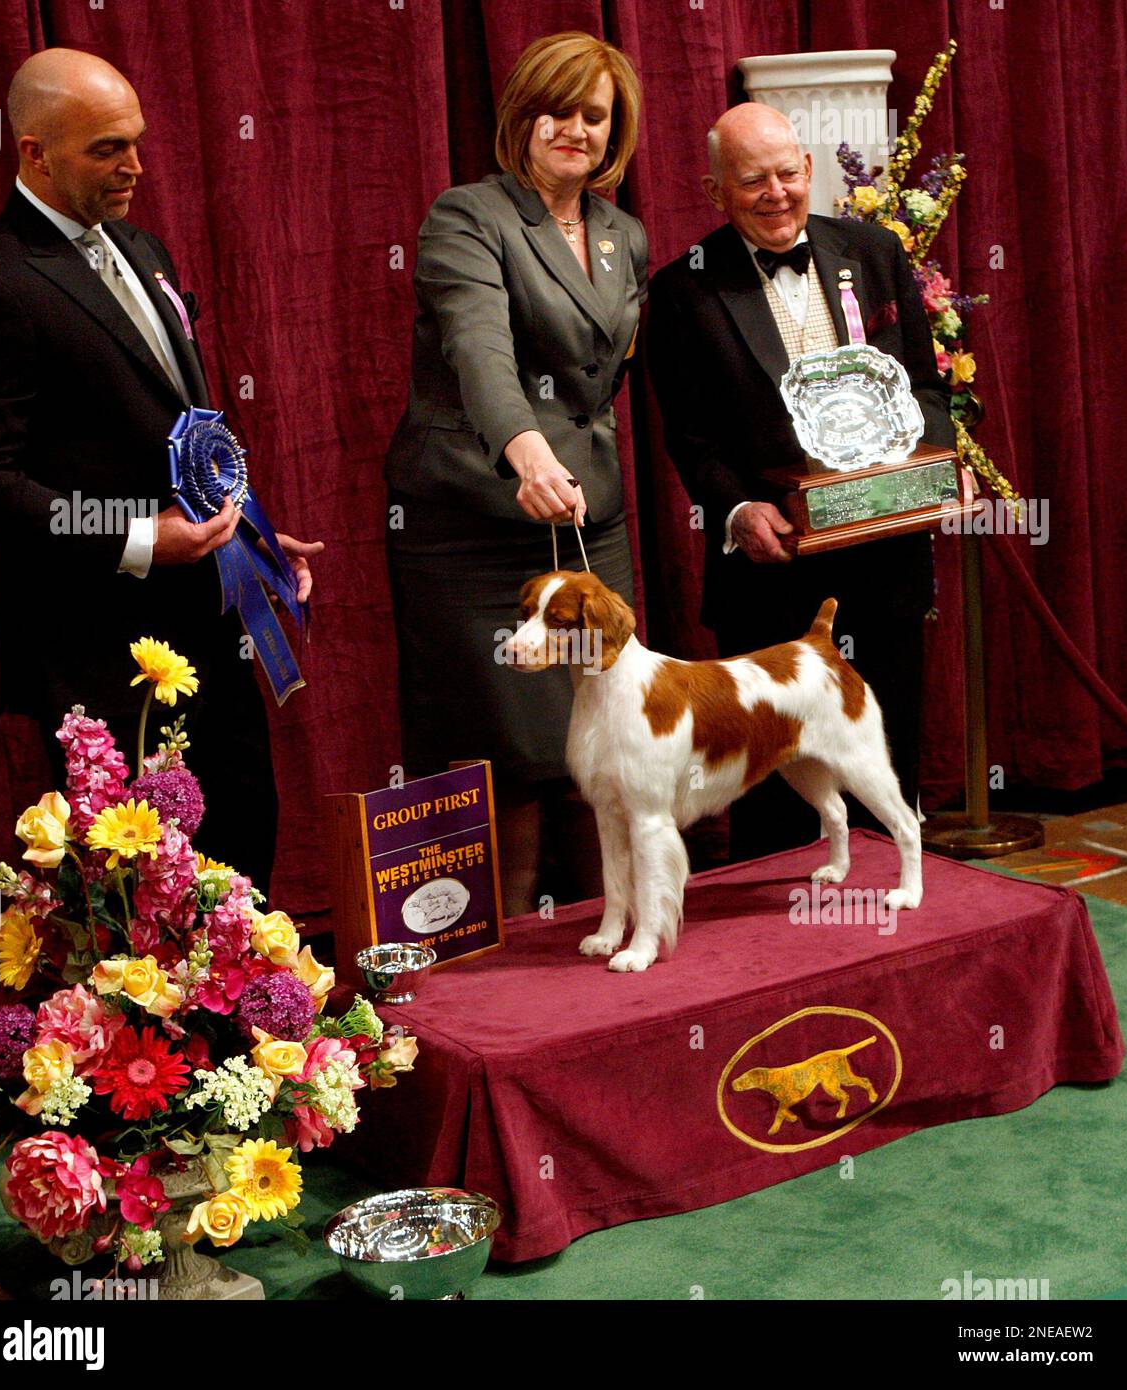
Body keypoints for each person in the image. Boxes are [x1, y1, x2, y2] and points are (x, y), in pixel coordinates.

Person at [0, 49, 322, 895]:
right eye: (107, 150)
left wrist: (253, 535)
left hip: (206, 624)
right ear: (36, 153)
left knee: (242, 848)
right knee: (148, 898)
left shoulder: (143, 247)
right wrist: (132, 536)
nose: (135, 167)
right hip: (95, 652)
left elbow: (181, 434)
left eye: (138, 143)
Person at [647, 103, 955, 862]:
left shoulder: (876, 251)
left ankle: (897, 916)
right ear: (716, 188)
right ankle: (780, 955)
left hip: (883, 566)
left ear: (811, 170)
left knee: (884, 762)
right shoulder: (683, 290)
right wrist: (740, 508)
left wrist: (935, 473)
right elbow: (688, 438)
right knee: (780, 794)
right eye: (752, 180)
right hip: (771, 576)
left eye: (788, 173)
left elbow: (927, 391)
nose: (776, 192)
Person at [385, 32, 647, 915]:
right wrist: (523, 449)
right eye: (557, 108)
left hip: (584, 530)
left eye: (594, 114)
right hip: (472, 526)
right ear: (521, 117)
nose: (574, 127)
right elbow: (478, 348)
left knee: (604, 742)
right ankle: (500, 981)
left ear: (615, 132)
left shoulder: (624, 236)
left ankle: (613, 947)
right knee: (505, 761)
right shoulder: (468, 215)